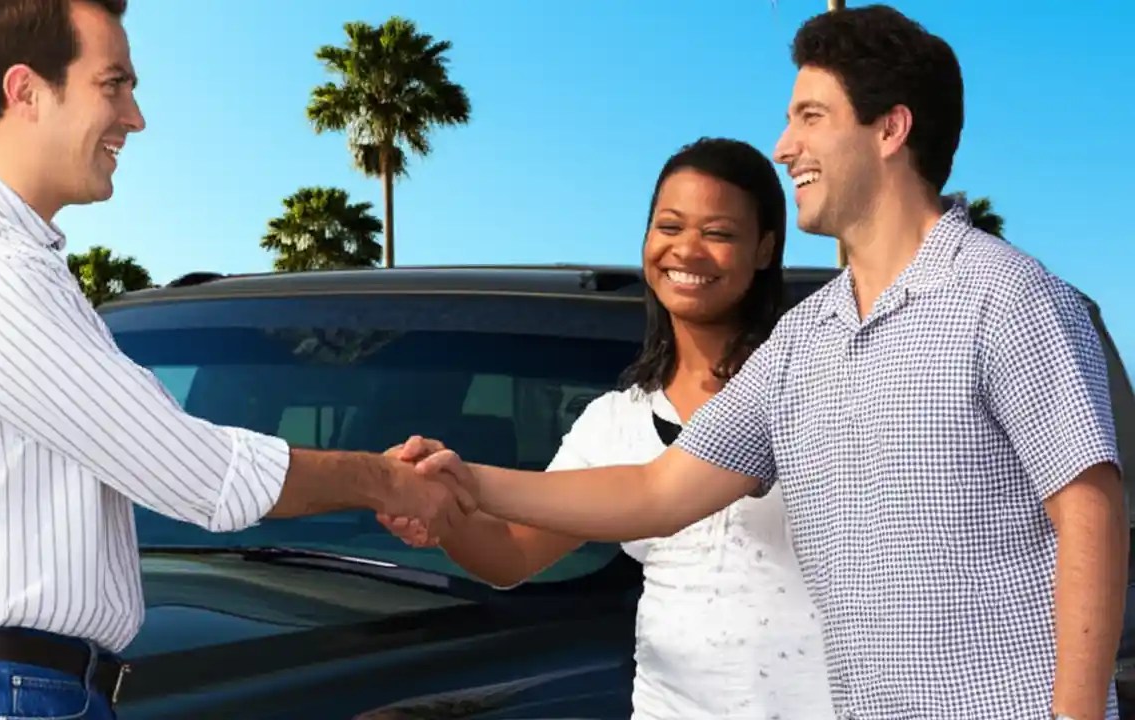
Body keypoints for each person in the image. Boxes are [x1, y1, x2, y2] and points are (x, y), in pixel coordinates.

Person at [396, 6, 1127, 720]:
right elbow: (658, 492)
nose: (783, 146)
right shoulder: (806, 338)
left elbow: (1091, 510)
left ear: (890, 129)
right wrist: (461, 478)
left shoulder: (1011, 297)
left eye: (811, 116)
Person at [0, 1, 471, 718]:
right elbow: (197, 475)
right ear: (24, 91)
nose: (135, 117)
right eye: (112, 85)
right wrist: (384, 483)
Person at [382, 137, 835, 719]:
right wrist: (441, 510)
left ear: (765, 248)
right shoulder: (616, 419)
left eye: (719, 234)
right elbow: (512, 554)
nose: (687, 251)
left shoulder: (816, 386)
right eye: (669, 226)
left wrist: (469, 479)